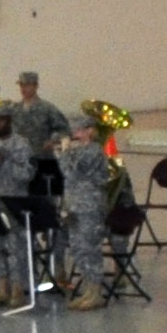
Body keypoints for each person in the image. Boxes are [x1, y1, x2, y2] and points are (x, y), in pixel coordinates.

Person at [52, 114, 117, 310]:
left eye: (79, 130)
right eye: (73, 130)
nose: (74, 134)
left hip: (89, 206)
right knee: (78, 248)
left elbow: (71, 172)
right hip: (73, 205)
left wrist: (63, 154)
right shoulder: (77, 150)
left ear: (89, 131)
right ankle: (88, 289)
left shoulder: (93, 151)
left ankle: (96, 292)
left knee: (90, 248)